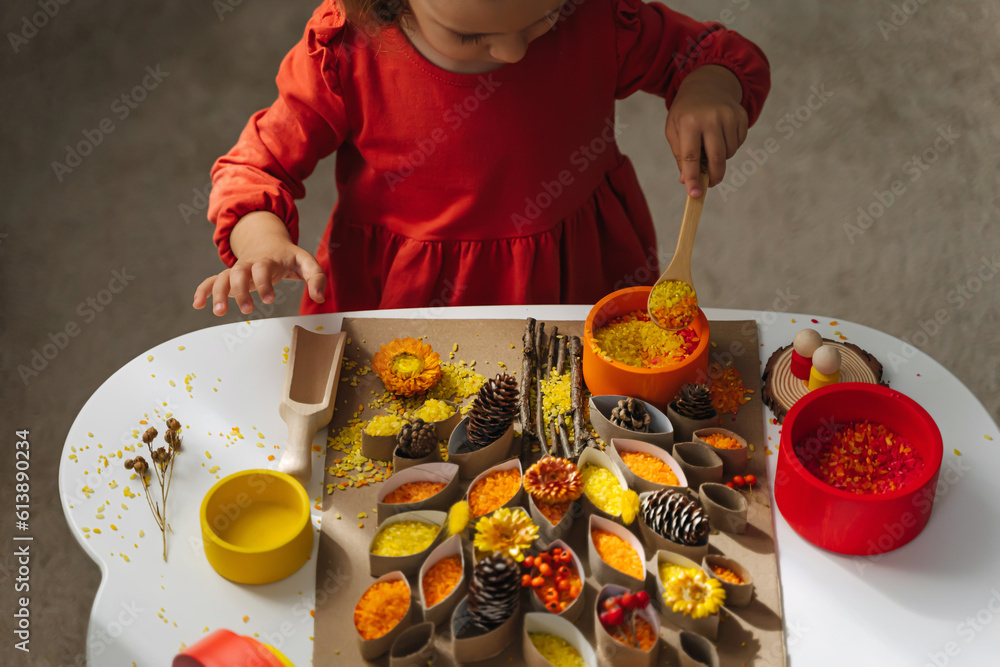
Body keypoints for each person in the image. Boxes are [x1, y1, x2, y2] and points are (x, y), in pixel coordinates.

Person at [193, 0, 770, 316]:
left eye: (545, 16)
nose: (515, 50)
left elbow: (705, 52)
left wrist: (708, 87)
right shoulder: (348, 55)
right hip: (406, 305)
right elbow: (254, 166)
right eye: (470, 38)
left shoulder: (595, 16)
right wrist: (259, 241)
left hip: (579, 280)